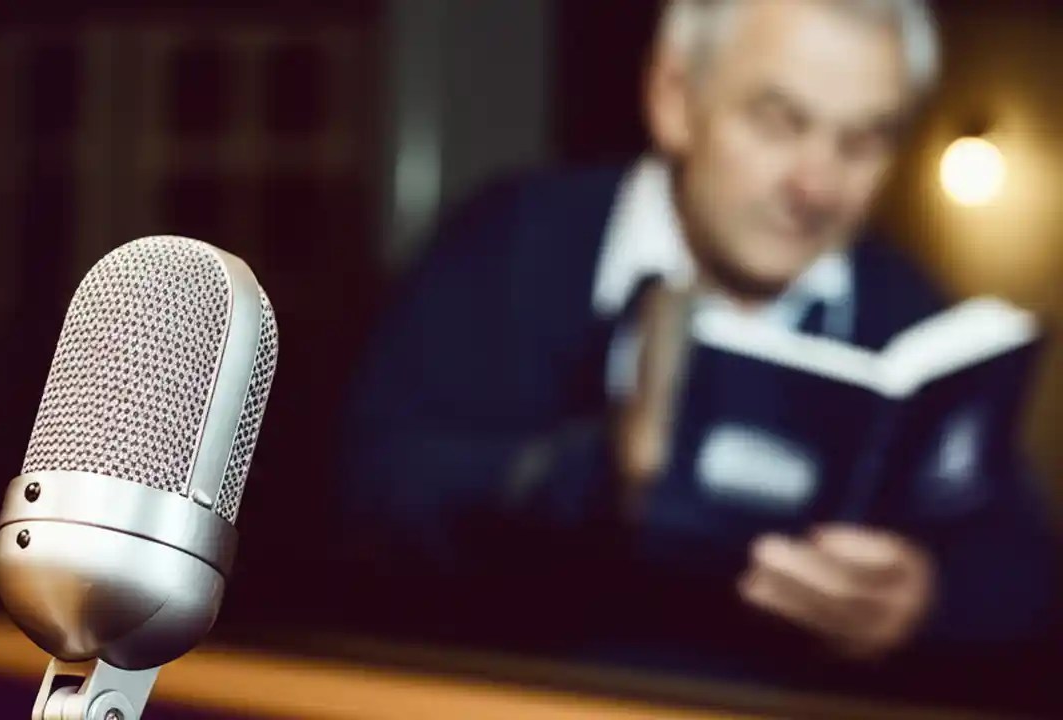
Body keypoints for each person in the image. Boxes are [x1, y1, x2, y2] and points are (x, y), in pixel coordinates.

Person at [337, 0, 1055, 701]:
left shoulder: (910, 315)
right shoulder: (513, 241)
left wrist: (924, 600)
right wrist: (583, 479)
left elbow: (1026, 574)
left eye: (862, 140)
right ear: (674, 97)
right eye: (779, 121)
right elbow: (368, 490)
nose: (816, 184)